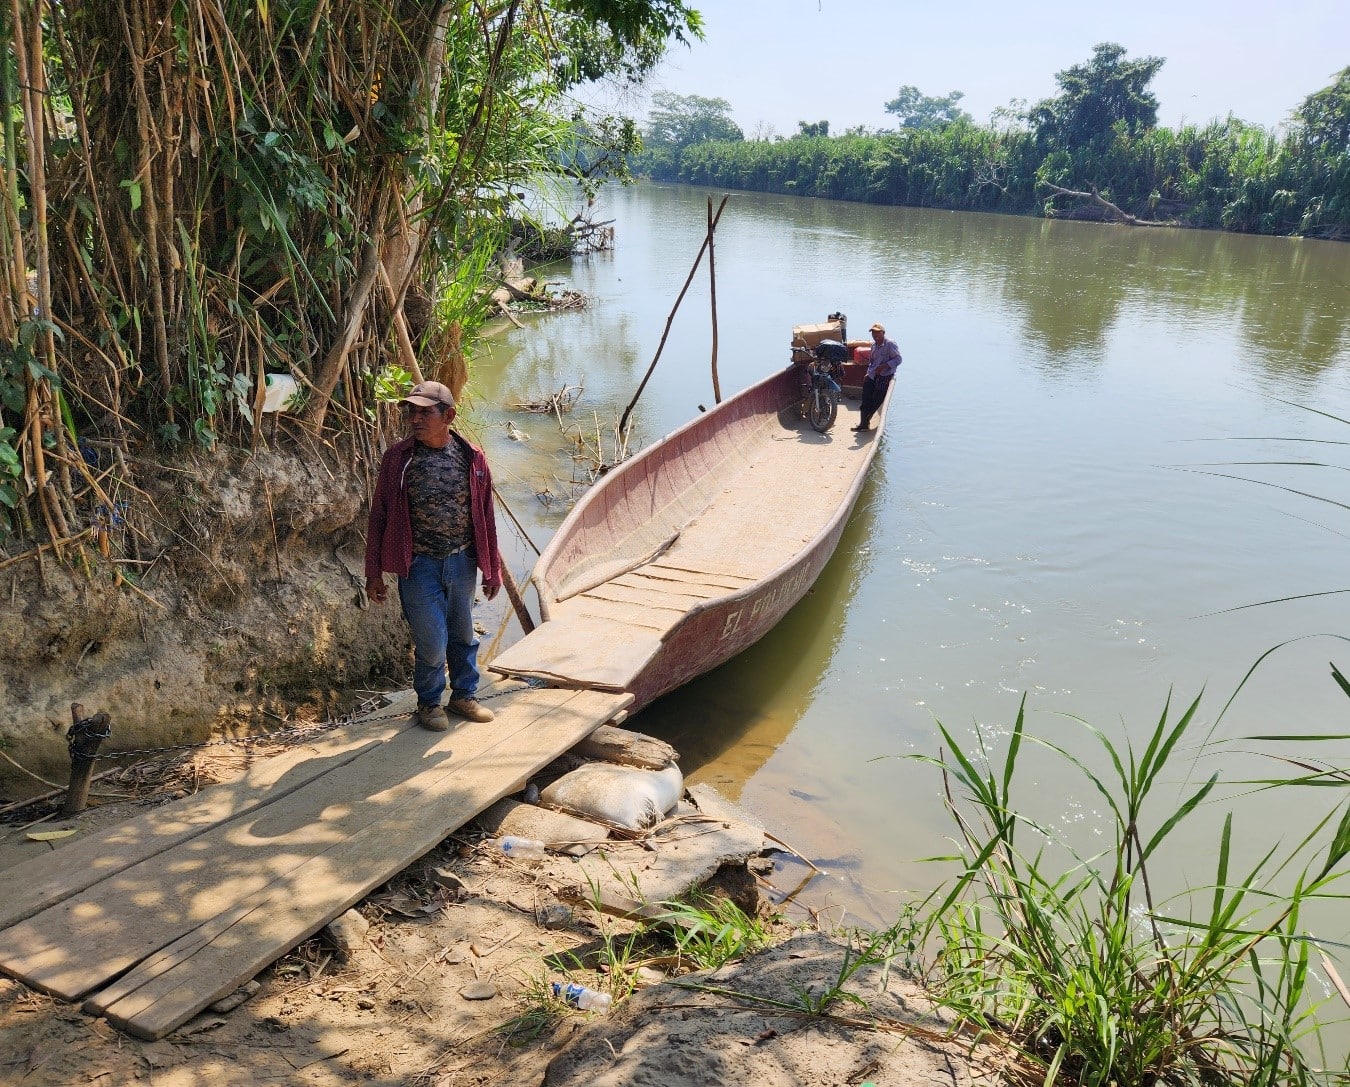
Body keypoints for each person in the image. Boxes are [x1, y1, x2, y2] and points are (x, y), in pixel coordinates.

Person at [364, 380, 503, 732]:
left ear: (449, 416)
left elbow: (484, 516)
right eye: (412, 411)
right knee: (432, 641)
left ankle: (464, 696)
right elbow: (379, 514)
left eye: (425, 412)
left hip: (462, 562)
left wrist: (492, 569)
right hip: (419, 565)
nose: (415, 419)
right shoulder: (399, 459)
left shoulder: (473, 458)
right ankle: (428, 703)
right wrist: (374, 572)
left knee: (463, 633)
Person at [852, 322, 901, 432]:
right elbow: (872, 362)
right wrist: (868, 373)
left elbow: (898, 359)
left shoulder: (890, 344)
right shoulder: (874, 345)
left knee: (877, 400)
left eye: (878, 333)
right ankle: (863, 424)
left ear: (883, 333)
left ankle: (868, 419)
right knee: (865, 399)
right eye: (873, 334)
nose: (875, 336)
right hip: (872, 375)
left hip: (884, 376)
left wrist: (885, 366)